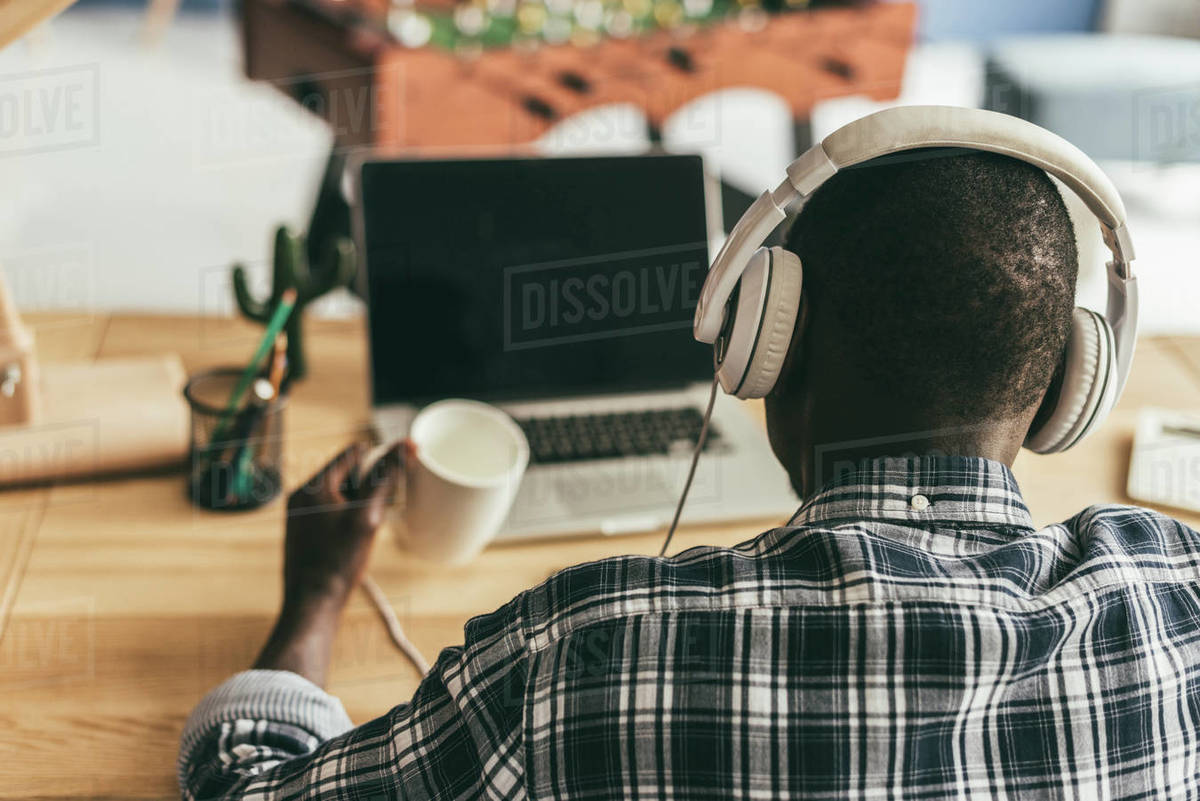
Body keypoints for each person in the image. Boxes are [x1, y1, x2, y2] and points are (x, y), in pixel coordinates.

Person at [178, 151, 1200, 800]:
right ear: (1071, 378)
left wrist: (313, 601)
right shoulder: (1183, 596)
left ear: (766, 350)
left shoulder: (582, 654)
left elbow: (250, 789)